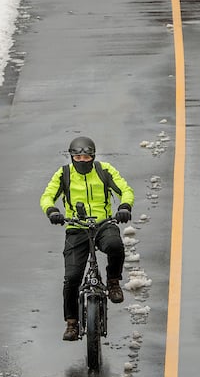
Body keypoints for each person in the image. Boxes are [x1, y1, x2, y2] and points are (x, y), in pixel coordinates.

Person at [40, 135, 135, 342]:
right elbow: (47, 196)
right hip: (77, 227)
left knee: (115, 245)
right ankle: (72, 323)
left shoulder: (104, 170)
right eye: (78, 157)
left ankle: (113, 282)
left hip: (103, 224)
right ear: (71, 157)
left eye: (86, 157)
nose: (82, 160)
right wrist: (52, 211)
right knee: (72, 278)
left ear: (93, 156)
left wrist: (124, 206)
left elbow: (125, 190)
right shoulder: (63, 174)